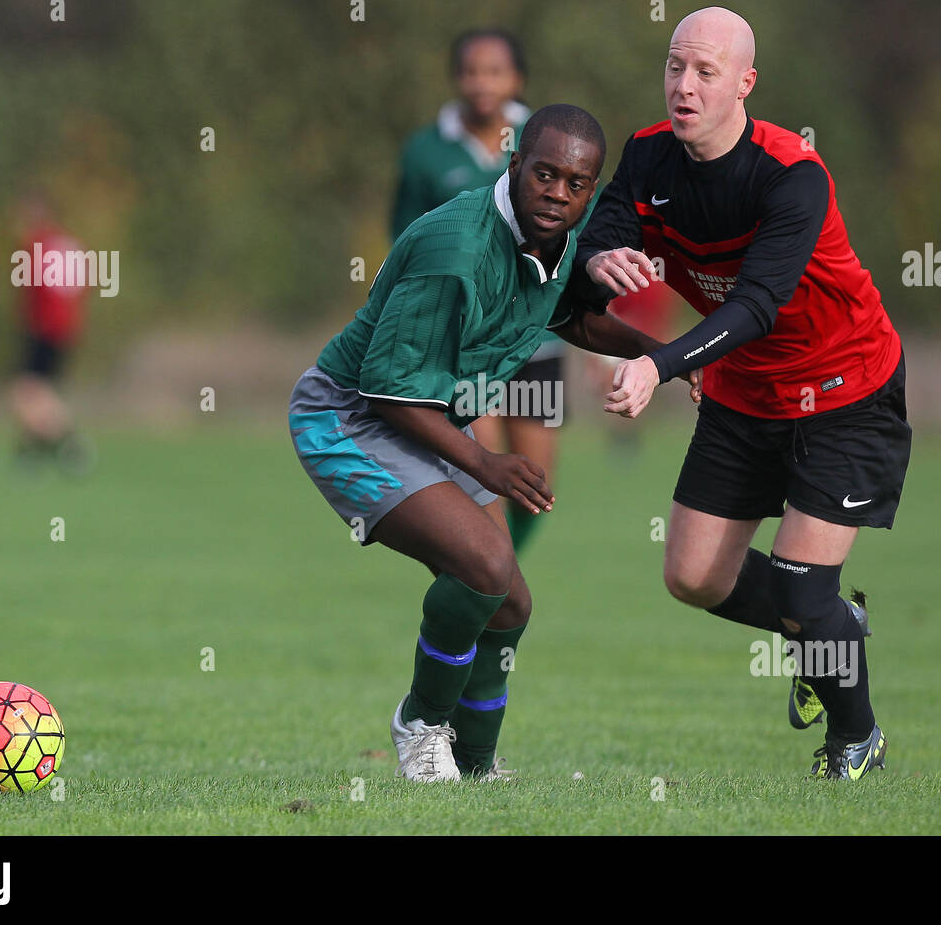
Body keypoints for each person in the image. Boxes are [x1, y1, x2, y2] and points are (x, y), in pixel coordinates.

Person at [290, 104, 699, 782]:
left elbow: (575, 318)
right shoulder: (457, 248)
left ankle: (476, 766)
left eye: (576, 184)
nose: (557, 193)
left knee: (510, 600)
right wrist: (485, 460)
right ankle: (421, 726)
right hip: (349, 415)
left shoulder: (558, 240)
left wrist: (668, 358)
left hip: (425, 412)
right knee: (483, 563)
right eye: (544, 173)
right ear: (515, 166)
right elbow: (390, 391)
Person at [575, 7, 911, 780]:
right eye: (674, 67)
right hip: (745, 392)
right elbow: (602, 231)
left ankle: (855, 737)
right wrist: (600, 262)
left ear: (745, 85)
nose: (682, 86)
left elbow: (757, 305)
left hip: (844, 387)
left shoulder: (793, 175)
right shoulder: (649, 156)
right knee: (693, 577)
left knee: (799, 585)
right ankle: (831, 623)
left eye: (705, 72)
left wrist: (659, 365)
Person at [392, 29, 564, 555]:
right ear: (457, 76)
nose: (481, 83)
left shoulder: (547, 141)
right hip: (464, 346)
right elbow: (404, 243)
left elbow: (582, 229)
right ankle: (489, 585)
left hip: (539, 341)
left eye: (494, 71)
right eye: (471, 71)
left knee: (535, 486)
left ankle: (503, 575)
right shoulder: (425, 151)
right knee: (482, 477)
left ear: (516, 78)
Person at [9, 194, 93, 474]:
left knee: (27, 394)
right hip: (66, 327)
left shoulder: (37, 246)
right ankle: (30, 455)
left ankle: (71, 445)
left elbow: (36, 289)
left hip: (45, 327)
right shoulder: (70, 245)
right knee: (37, 392)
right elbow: (79, 287)